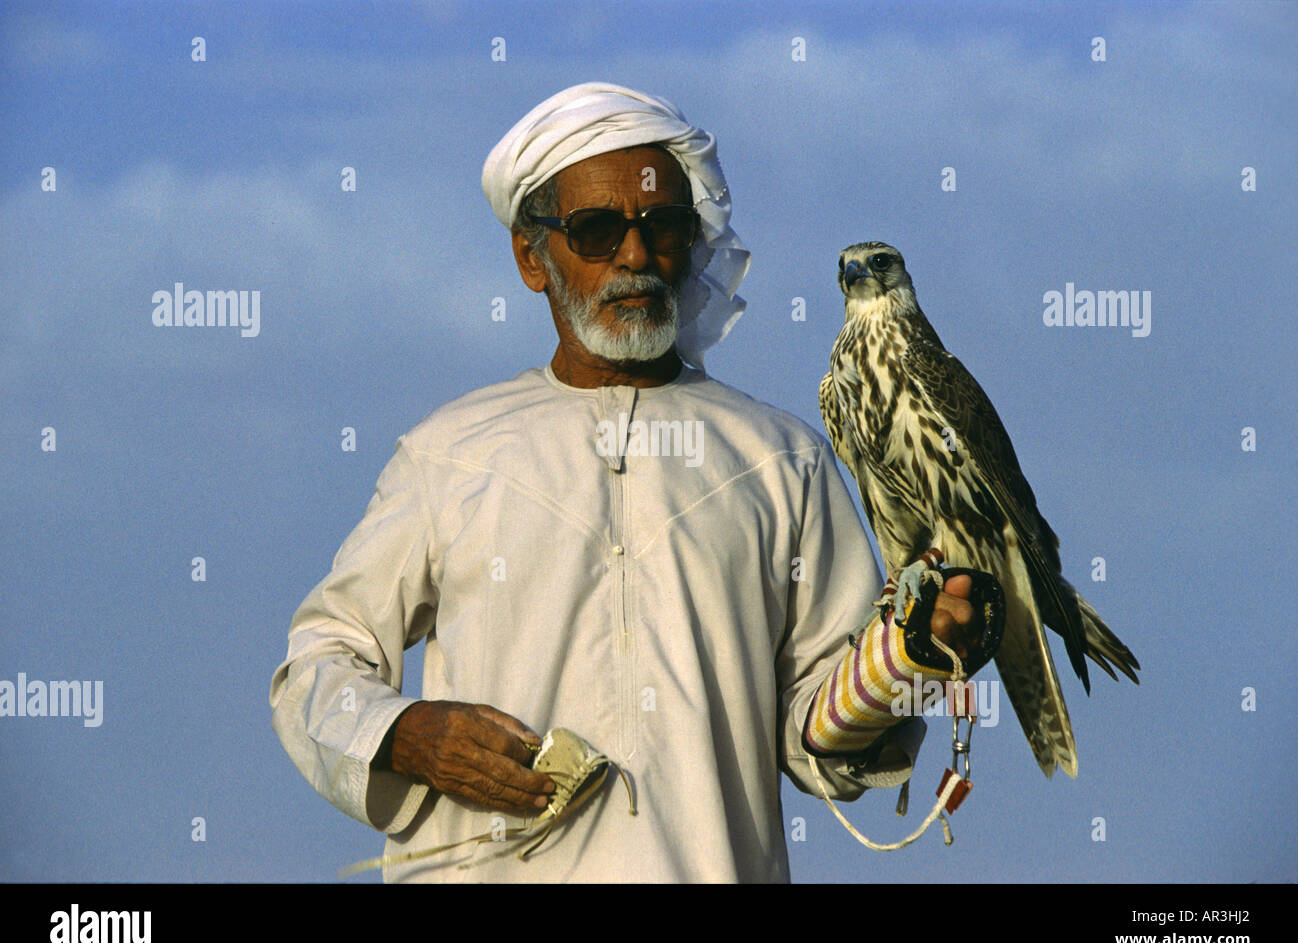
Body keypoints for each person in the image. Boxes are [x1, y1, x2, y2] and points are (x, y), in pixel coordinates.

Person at [269, 82, 982, 882]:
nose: (635, 257)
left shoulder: (783, 460)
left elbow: (820, 736)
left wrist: (907, 660)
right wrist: (406, 735)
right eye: (598, 230)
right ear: (531, 256)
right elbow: (319, 666)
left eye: (663, 228)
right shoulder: (449, 454)